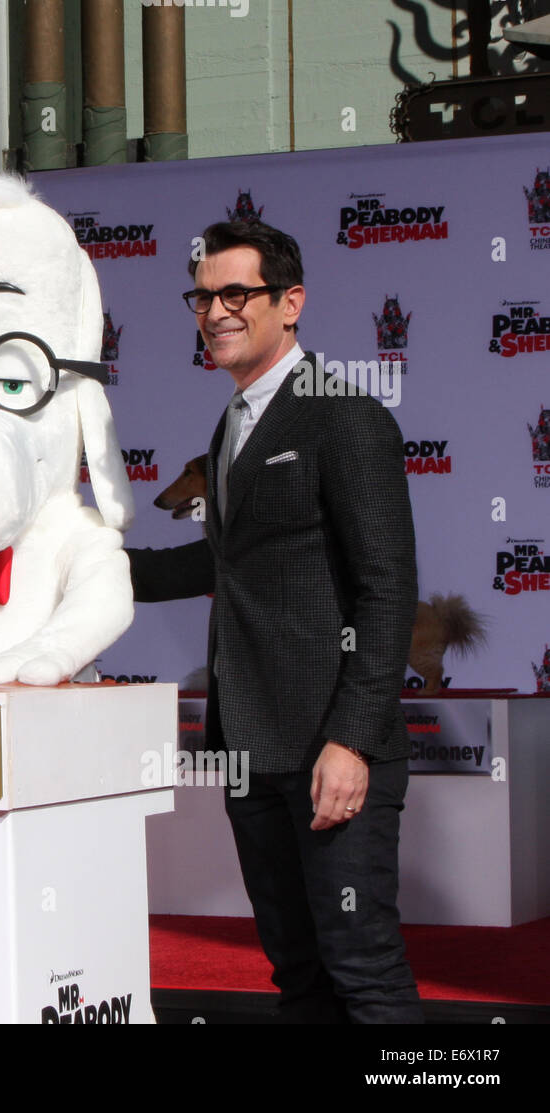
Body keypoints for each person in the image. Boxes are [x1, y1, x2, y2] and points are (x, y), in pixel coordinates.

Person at [126, 220, 422, 1022]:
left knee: (362, 969)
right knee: (299, 975)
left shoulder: (345, 416)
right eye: (203, 295)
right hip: (248, 750)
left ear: (290, 303)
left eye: (236, 293)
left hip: (329, 745)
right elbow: (221, 564)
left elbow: (388, 587)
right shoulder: (234, 423)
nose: (215, 311)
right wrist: (82, 566)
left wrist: (353, 739)